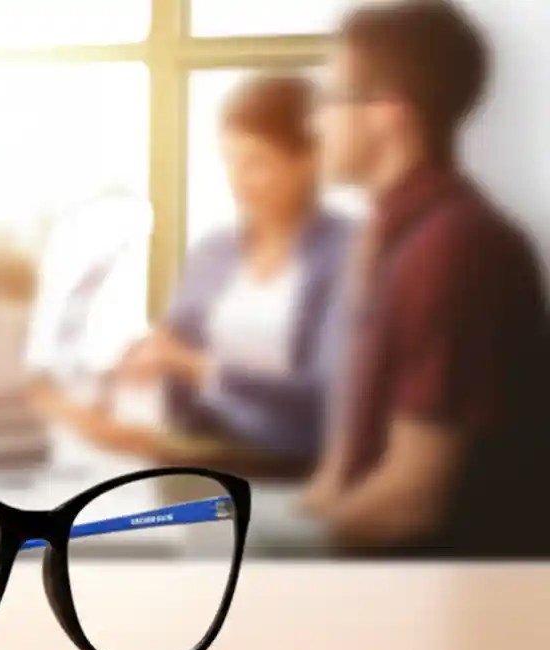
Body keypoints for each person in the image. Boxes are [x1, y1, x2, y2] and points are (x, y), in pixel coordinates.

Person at [302, 0, 549, 555]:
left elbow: (411, 501)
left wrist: (262, 559)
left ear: (387, 110)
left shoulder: (452, 248)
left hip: (444, 610)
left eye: (328, 97)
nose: (312, 120)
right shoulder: (388, 236)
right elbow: (346, 474)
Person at [115, 74, 351, 465]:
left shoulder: (349, 255)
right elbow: (171, 351)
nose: (238, 181)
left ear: (310, 161)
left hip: (301, 469)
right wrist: (145, 355)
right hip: (200, 459)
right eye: (230, 161)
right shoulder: (212, 253)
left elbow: (326, 403)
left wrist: (197, 367)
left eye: (256, 162)